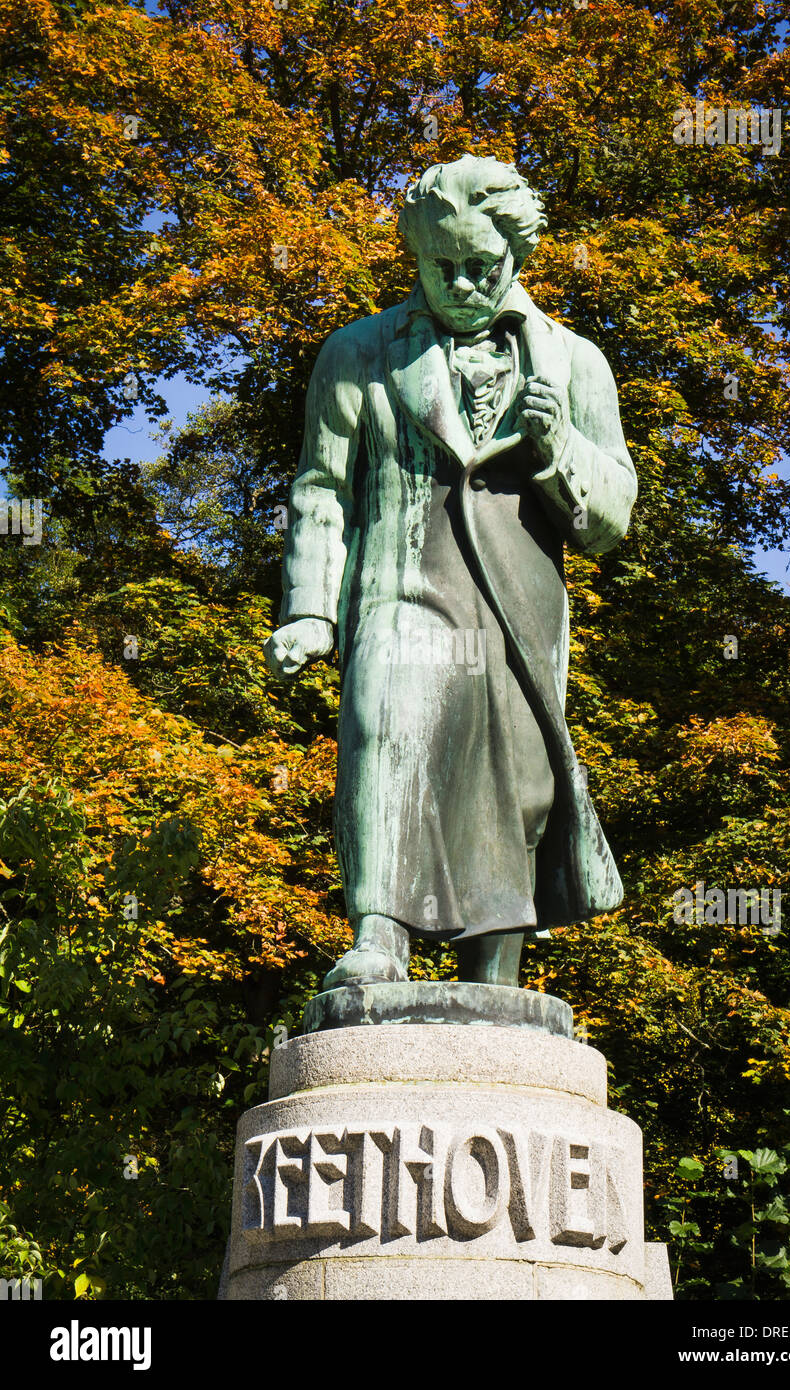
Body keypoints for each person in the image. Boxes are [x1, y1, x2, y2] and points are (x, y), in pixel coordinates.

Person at [264, 154, 637, 990]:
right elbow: (321, 489)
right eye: (444, 265)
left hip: (516, 602)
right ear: (415, 256)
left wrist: (557, 449)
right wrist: (309, 610)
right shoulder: (357, 353)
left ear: (518, 258)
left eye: (483, 266)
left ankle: (492, 977)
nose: (464, 282)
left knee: (512, 779)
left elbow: (610, 523)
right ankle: (379, 938)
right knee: (385, 725)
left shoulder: (573, 361)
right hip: (398, 587)